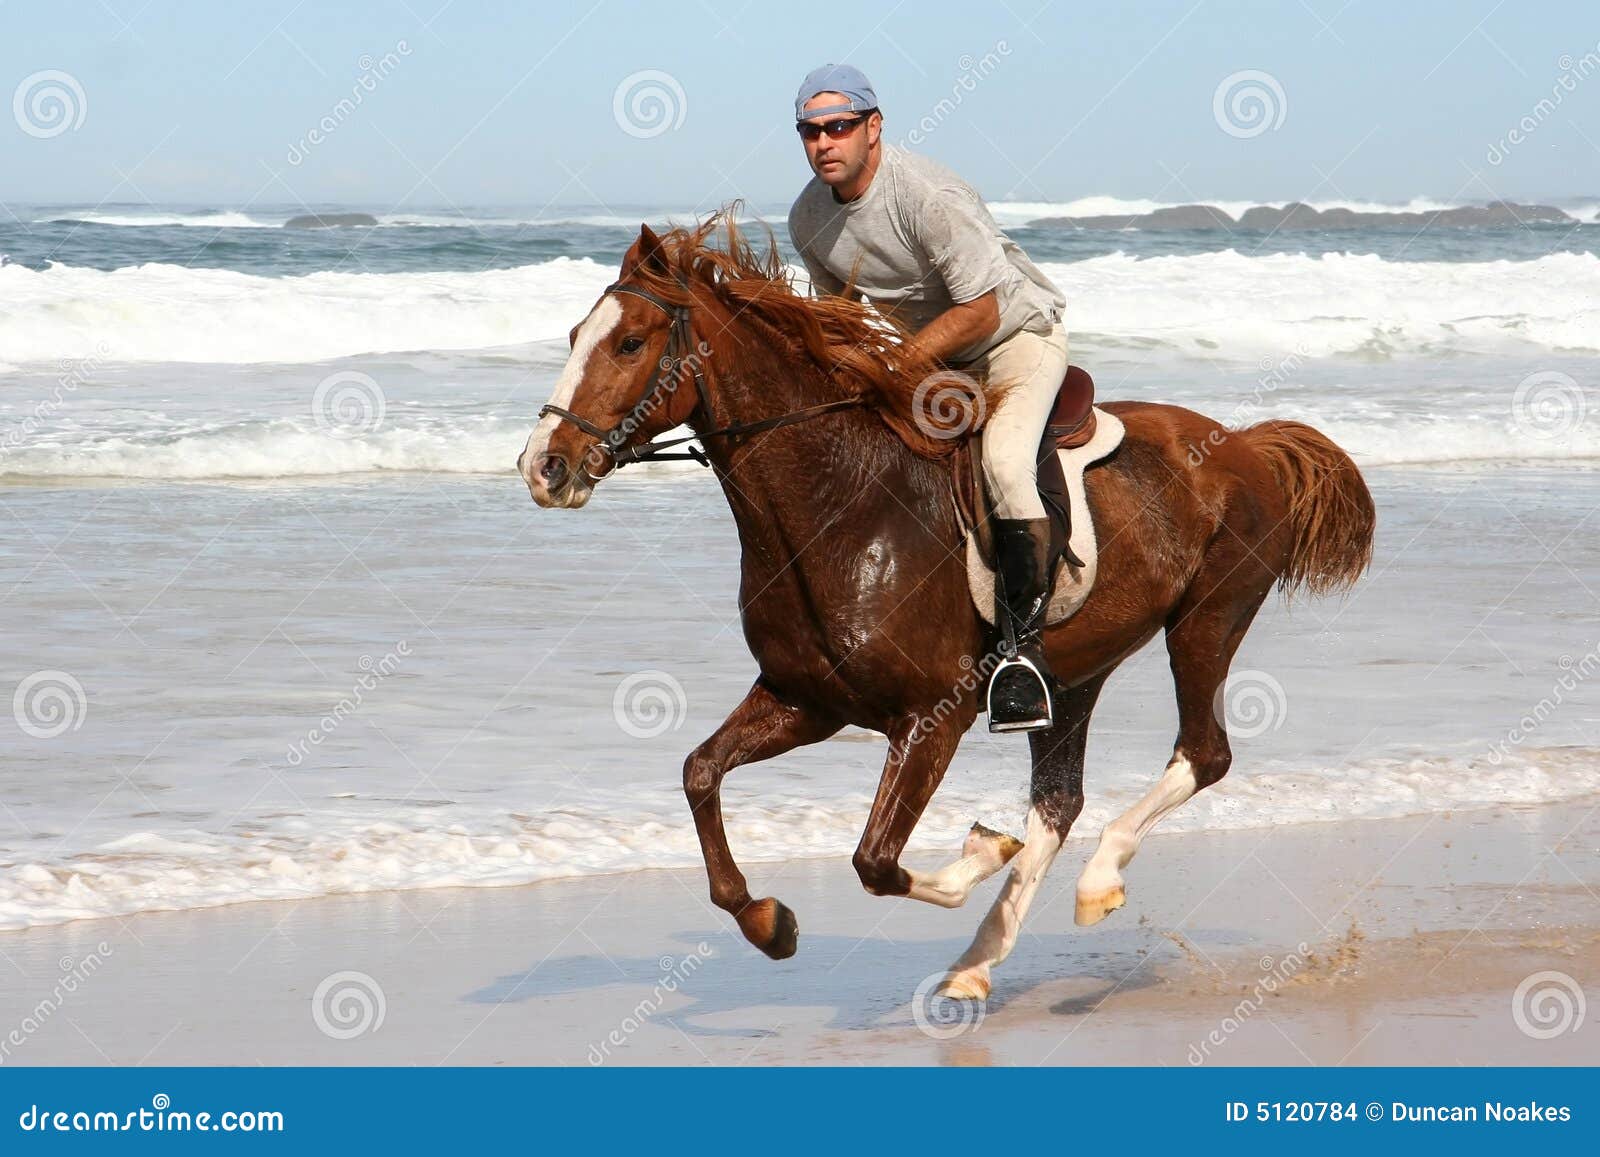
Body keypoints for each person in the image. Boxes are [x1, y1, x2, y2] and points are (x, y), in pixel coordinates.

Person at [787, 62, 1070, 731]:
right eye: (810, 131)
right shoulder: (807, 217)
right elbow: (839, 319)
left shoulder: (927, 195)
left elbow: (981, 308)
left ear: (872, 127)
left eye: (839, 127)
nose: (825, 142)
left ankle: (1022, 660)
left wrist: (896, 365)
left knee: (1003, 466)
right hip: (932, 359)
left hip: (1013, 340)